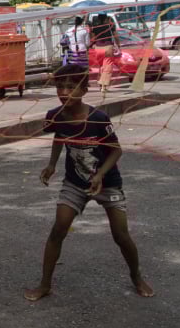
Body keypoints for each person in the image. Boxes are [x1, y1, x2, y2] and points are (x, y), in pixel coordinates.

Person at [23, 64, 154, 301]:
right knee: (58, 229)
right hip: (75, 182)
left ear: (84, 90)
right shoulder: (55, 115)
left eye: (71, 87)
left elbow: (116, 151)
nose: (64, 92)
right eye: (60, 86)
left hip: (107, 182)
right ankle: (44, 284)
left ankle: (136, 276)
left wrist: (100, 175)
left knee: (120, 235)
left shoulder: (98, 119)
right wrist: (52, 164)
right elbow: (59, 136)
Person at [89, 14, 121, 93]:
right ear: (106, 18)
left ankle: (101, 86)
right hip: (108, 47)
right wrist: (118, 45)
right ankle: (103, 86)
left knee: (101, 67)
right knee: (107, 67)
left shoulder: (95, 27)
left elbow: (92, 38)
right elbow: (116, 36)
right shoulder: (110, 26)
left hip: (98, 48)